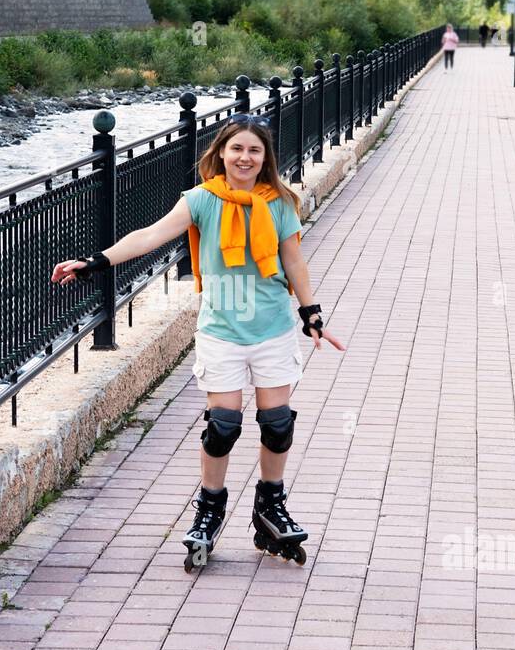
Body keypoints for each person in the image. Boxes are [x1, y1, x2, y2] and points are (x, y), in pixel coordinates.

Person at [52, 113, 347, 571]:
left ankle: (270, 505)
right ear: (221, 154)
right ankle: (209, 510)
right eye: (237, 149)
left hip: (271, 330)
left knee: (278, 422)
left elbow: (294, 260)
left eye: (254, 150)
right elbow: (151, 235)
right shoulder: (202, 201)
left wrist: (311, 313)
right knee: (223, 424)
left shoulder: (279, 202)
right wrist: (96, 262)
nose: (245, 158)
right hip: (221, 333)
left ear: (265, 157)